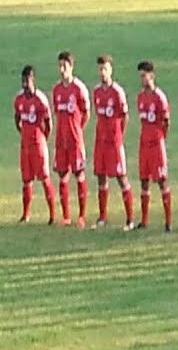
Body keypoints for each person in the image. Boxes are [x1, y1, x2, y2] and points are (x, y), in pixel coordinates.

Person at [91, 54, 133, 231]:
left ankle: (130, 219)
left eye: (105, 69)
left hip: (114, 143)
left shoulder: (117, 92)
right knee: (101, 177)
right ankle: (102, 217)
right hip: (100, 142)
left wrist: (118, 136)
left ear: (111, 70)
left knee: (121, 177)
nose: (102, 72)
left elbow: (124, 116)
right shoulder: (96, 92)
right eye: (100, 69)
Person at [51, 51, 90, 228]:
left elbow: (86, 112)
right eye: (59, 66)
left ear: (71, 67)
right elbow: (57, 113)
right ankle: (66, 216)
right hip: (61, 140)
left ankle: (81, 216)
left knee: (79, 174)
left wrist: (78, 129)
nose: (61, 70)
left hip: (75, 140)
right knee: (62, 175)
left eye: (64, 66)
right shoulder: (56, 90)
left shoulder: (79, 89)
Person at [13, 65, 55, 224]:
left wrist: (43, 138)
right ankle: (26, 215)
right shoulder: (19, 99)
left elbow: (48, 123)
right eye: (22, 81)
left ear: (33, 80)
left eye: (27, 81)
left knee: (44, 178)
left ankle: (52, 215)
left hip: (38, 144)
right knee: (26, 180)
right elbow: (17, 118)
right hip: (25, 146)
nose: (24, 84)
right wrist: (22, 132)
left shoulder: (40, 99)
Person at [135, 61, 171, 231]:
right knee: (144, 181)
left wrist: (159, 139)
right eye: (140, 76)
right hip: (144, 145)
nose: (142, 80)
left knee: (162, 181)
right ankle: (144, 220)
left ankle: (168, 221)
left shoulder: (159, 97)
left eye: (144, 76)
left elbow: (166, 122)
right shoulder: (140, 97)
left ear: (152, 76)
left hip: (156, 145)